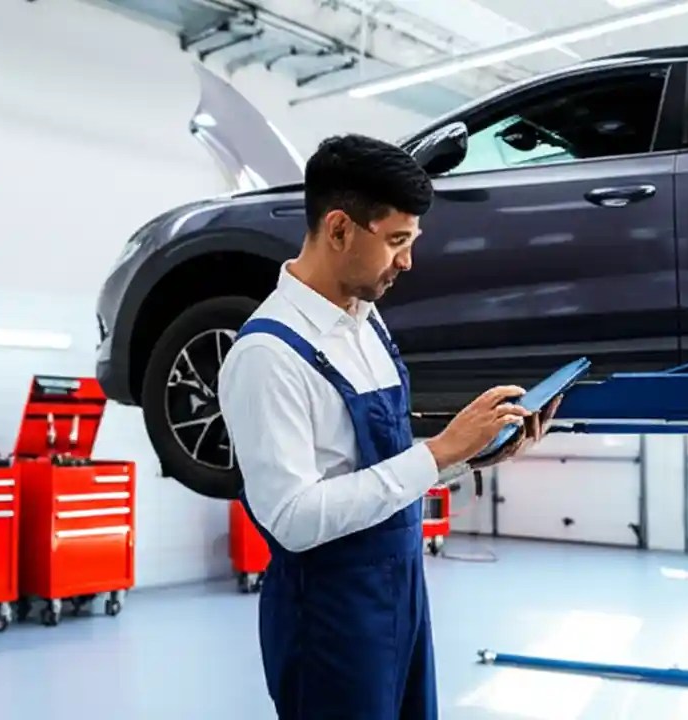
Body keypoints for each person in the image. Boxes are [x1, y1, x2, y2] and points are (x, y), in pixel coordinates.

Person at [218, 133, 561, 720]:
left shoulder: (367, 323)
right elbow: (294, 520)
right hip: (328, 619)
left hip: (401, 593)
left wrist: (475, 452)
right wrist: (438, 451)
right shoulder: (267, 355)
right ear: (339, 230)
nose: (408, 261)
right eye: (397, 241)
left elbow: (378, 469)